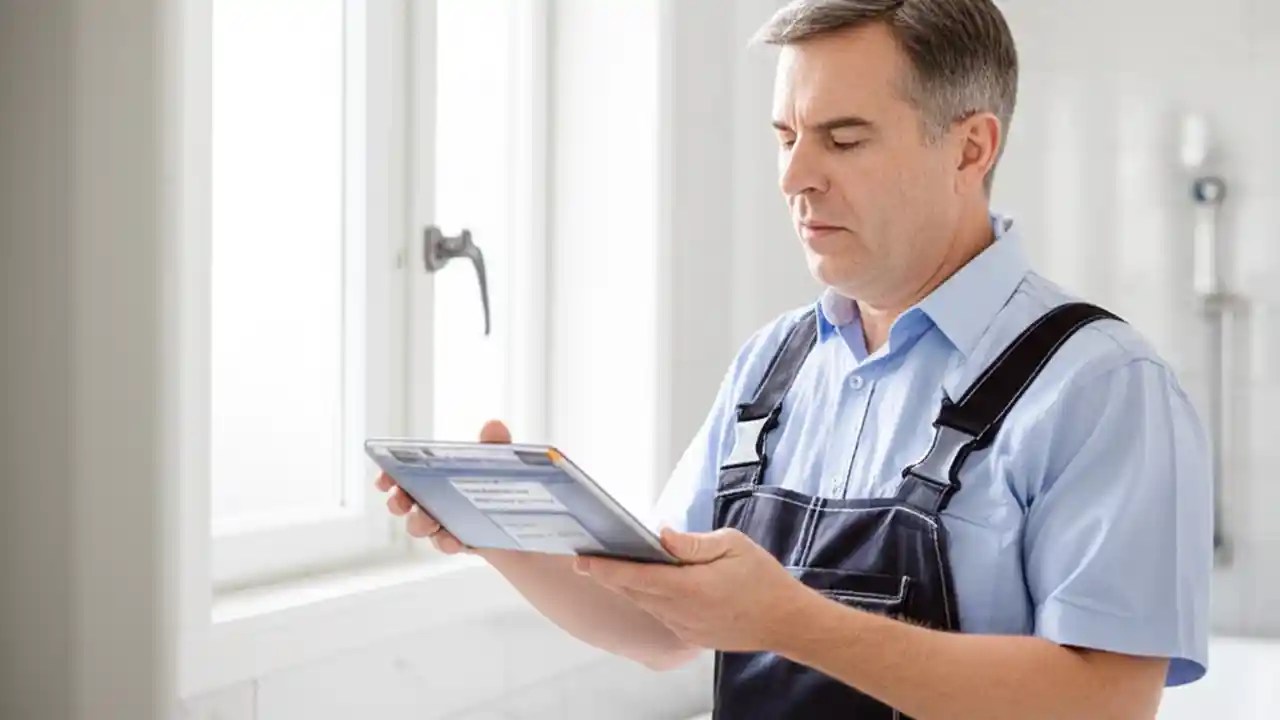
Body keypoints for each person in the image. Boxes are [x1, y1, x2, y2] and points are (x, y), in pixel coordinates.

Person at [376, 1, 1212, 717]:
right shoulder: (772, 367)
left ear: (970, 149)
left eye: (843, 140)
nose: (795, 177)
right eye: (786, 137)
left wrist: (790, 621)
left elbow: (1105, 702)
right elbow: (665, 627)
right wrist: (502, 536)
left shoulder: (1100, 387)